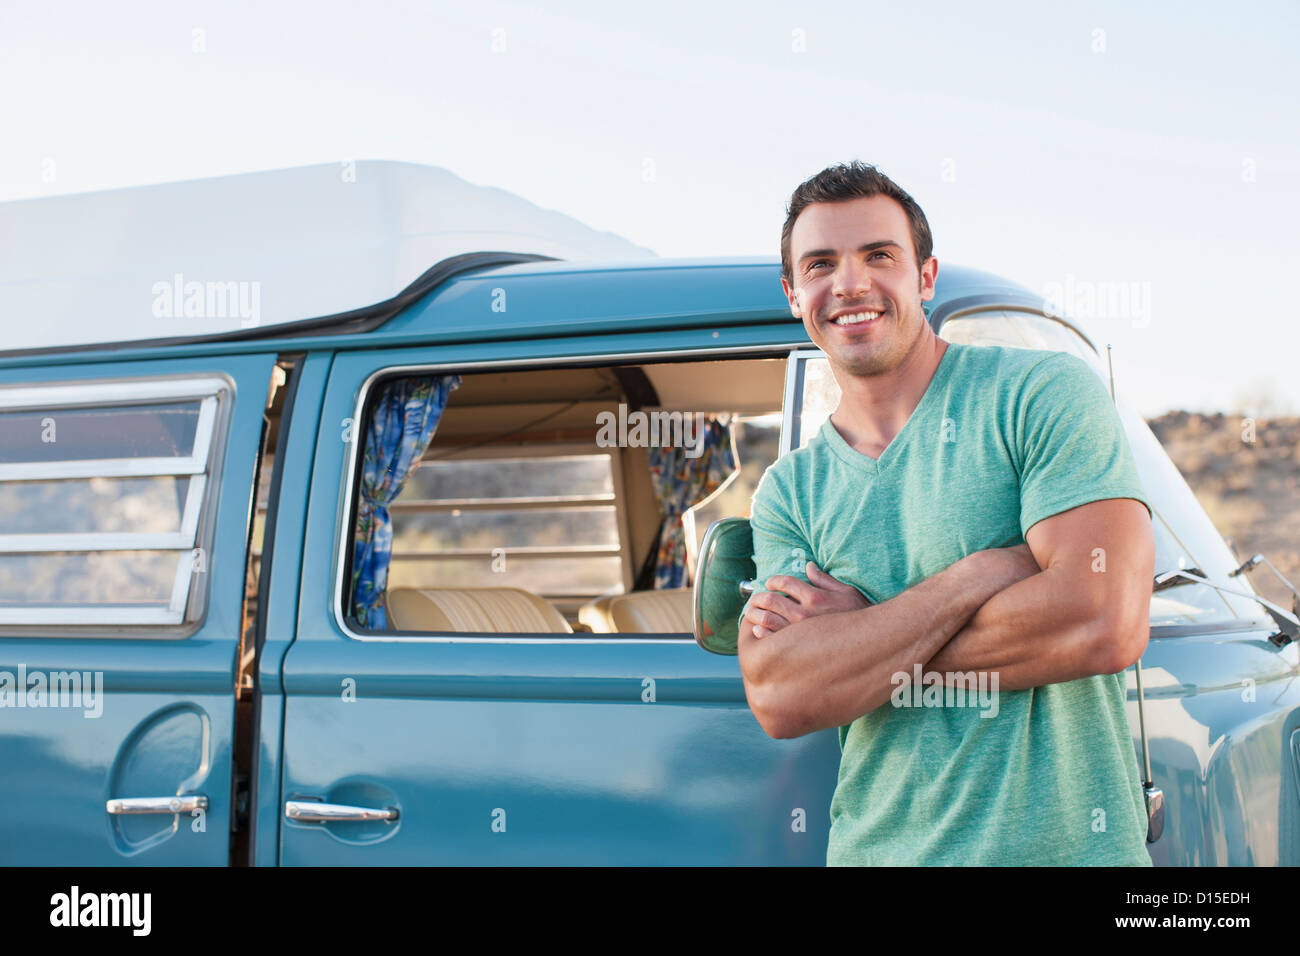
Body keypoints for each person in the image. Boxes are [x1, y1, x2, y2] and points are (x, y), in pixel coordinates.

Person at [738, 161, 1156, 865]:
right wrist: (983, 573)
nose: (849, 284)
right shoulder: (788, 491)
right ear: (792, 294)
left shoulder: (1040, 394)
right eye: (820, 264)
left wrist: (864, 641)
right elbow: (785, 694)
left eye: (879, 256)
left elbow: (1102, 620)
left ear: (926, 277)